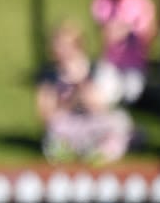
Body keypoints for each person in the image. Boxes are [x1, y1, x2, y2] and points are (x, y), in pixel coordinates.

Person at [36, 20, 135, 165]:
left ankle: (100, 152)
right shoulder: (49, 76)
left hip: (93, 122)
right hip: (68, 123)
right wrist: (69, 100)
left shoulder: (95, 69)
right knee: (55, 127)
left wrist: (81, 82)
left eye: (66, 45)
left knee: (118, 123)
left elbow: (98, 106)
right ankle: (67, 152)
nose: (62, 50)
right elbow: (46, 115)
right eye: (58, 45)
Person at [90, 0, 157, 107]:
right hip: (112, 61)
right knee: (106, 91)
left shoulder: (141, 3)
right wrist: (127, 26)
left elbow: (147, 35)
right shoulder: (103, 2)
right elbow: (109, 36)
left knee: (131, 93)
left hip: (134, 63)